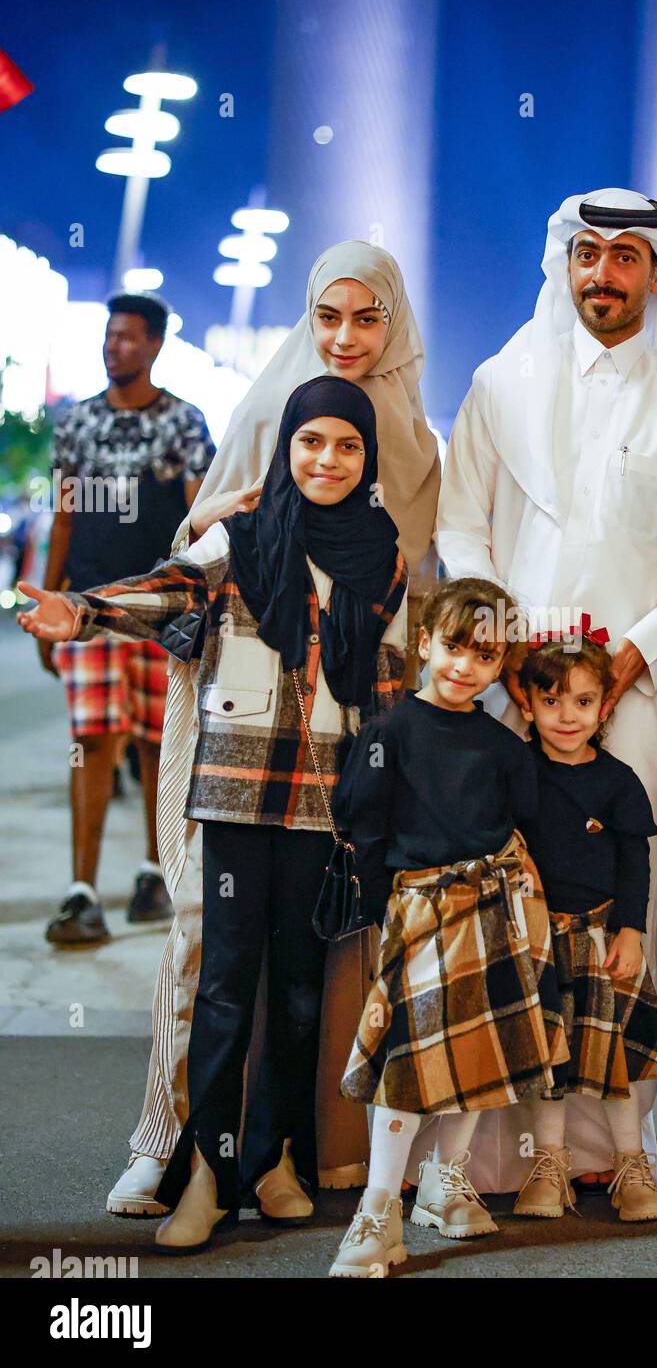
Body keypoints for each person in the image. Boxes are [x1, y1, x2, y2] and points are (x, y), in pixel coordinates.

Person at [19, 377, 409, 1252]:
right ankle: (206, 1170)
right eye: (312, 442)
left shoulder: (382, 554)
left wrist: (385, 800)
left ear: (367, 457)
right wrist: (79, 610)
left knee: (301, 992)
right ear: (286, 449)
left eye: (347, 445)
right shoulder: (240, 537)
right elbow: (167, 594)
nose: (327, 460)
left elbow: (389, 688)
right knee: (227, 984)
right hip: (236, 793)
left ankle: (271, 1161)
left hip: (324, 806)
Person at [106, 242, 439, 1219]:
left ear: (395, 325)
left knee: (323, 952)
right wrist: (204, 519)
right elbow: (195, 563)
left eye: (367, 317)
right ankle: (167, 1144)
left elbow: (410, 598)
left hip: (340, 746)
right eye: (327, 314)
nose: (344, 336)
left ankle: (302, 1151)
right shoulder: (270, 408)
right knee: (206, 942)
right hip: (237, 721)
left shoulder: (415, 441)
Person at [435, 187, 657, 1192]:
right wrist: (506, 650)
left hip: (635, 705)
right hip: (508, 699)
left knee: (622, 918)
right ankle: (495, 1158)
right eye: (587, 253)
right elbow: (459, 531)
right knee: (503, 920)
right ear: (565, 265)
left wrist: (627, 665)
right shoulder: (497, 385)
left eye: (625, 257)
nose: (602, 273)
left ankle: (620, 1153)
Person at [327, 577, 567, 1278]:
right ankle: (378, 1210)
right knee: (406, 1067)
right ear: (425, 643)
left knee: (481, 1061)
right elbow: (362, 828)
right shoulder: (387, 733)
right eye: (454, 647)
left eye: (485, 656)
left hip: (498, 911)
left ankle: (445, 1177)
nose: (465, 666)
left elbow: (525, 824)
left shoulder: (504, 745)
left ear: (503, 666)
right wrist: (385, 917)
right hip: (419, 912)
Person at [37, 292, 214, 945]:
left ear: (156, 345)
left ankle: (153, 874)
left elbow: (200, 522)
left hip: (158, 611)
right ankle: (81, 891)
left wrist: (202, 604)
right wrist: (51, 595)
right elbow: (63, 516)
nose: (115, 347)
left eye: (129, 338)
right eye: (110, 337)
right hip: (88, 609)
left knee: (154, 743)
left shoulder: (183, 424)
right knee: (92, 741)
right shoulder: (77, 423)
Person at [512, 635, 657, 1223]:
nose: (567, 716)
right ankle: (549, 1164)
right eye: (552, 701)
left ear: (603, 707)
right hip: (534, 937)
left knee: (616, 1059)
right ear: (526, 702)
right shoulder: (517, 772)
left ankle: (631, 1165)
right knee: (548, 1059)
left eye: (583, 702)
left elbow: (637, 861)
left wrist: (631, 931)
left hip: (603, 936)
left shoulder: (617, 781)